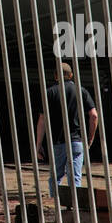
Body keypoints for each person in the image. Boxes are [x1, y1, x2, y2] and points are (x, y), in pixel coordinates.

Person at [35, 62, 98, 198]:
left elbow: (42, 120)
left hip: (58, 143)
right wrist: (90, 138)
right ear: (71, 75)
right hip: (77, 142)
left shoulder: (49, 92)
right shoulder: (81, 91)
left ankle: (55, 206)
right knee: (75, 178)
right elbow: (94, 115)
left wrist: (38, 144)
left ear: (56, 76)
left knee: (55, 178)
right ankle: (74, 208)